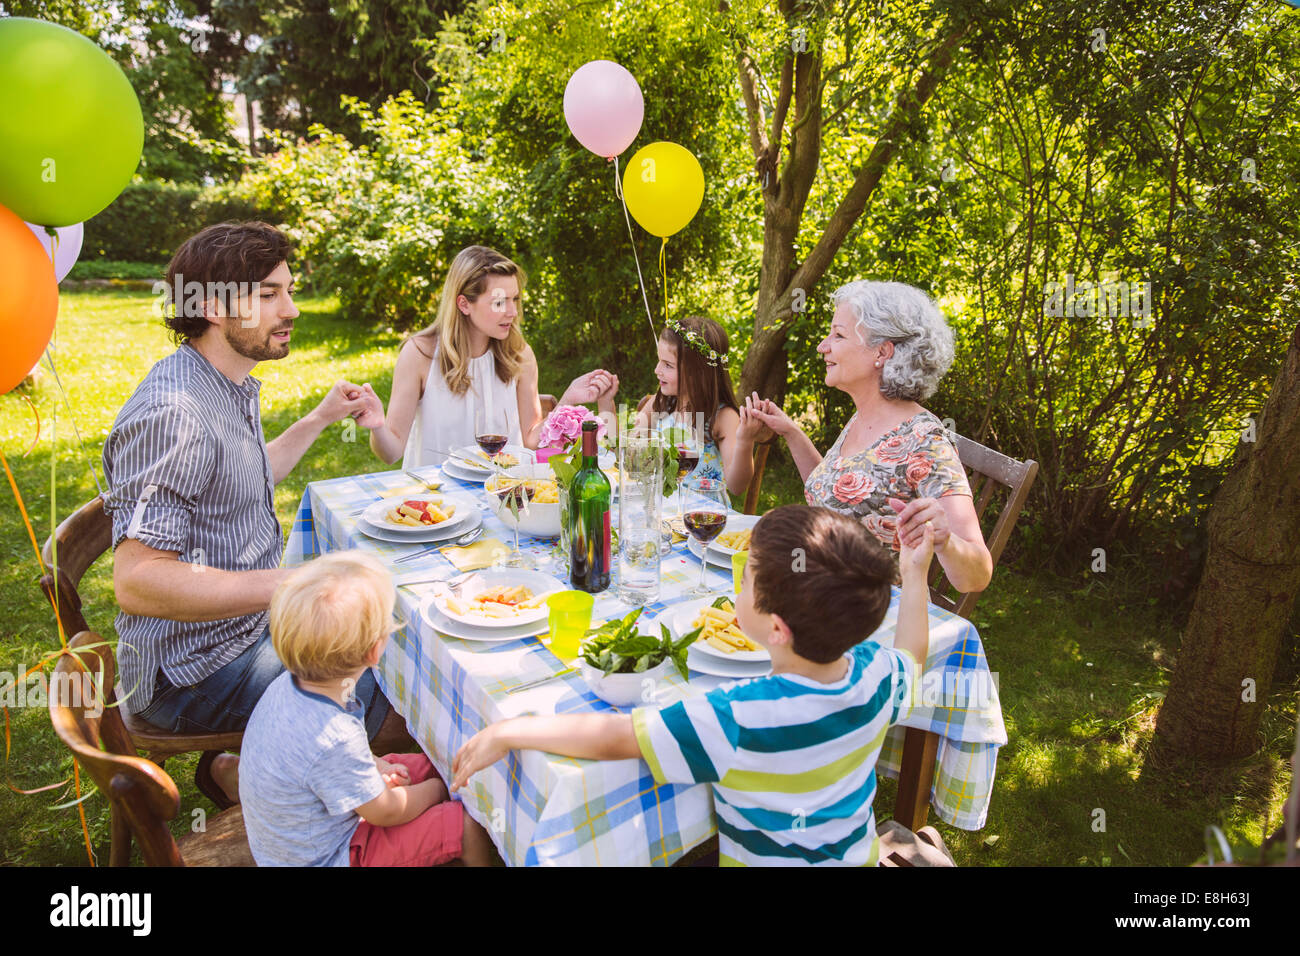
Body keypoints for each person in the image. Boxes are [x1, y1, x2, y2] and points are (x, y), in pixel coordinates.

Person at [451, 505, 934, 866]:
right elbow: (912, 655)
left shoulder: (736, 716)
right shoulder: (877, 674)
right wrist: (915, 576)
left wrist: (508, 731)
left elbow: (614, 736)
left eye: (745, 581)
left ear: (778, 630)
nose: (738, 586)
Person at [102, 221, 394, 807]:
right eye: (268, 295)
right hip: (189, 671)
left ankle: (240, 770)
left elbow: (242, 474)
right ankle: (305, 803)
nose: (291, 308)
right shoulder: (176, 413)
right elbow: (137, 581)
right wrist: (297, 583)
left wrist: (316, 419)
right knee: (394, 688)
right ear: (211, 305)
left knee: (392, 645)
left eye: (288, 289)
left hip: (237, 634)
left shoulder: (224, 381)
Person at [239, 552, 494, 867]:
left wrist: (378, 767)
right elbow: (385, 811)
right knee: (464, 823)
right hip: (332, 856)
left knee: (435, 763)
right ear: (376, 651)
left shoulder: (290, 687)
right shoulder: (334, 737)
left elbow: (331, 760)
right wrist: (436, 791)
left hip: (306, 833)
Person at [742, 280, 993, 593]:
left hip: (874, 618)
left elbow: (977, 575)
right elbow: (837, 494)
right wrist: (791, 433)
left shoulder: (925, 441)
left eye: (839, 335)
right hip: (823, 591)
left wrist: (945, 541)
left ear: (882, 352)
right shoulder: (863, 416)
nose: (823, 346)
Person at [363, 245, 620, 468]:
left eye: (515, 300)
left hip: (502, 498)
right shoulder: (419, 355)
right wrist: (377, 425)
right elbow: (391, 453)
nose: (512, 312)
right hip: (436, 507)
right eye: (499, 302)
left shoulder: (520, 355)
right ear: (464, 304)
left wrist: (568, 399)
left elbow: (532, 440)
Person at [633, 315, 754, 497]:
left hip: (705, 516)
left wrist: (745, 442)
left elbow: (737, 487)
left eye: (668, 365)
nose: (657, 370)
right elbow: (630, 451)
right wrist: (606, 402)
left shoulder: (722, 416)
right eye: (659, 361)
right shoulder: (660, 404)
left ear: (698, 372)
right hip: (664, 512)